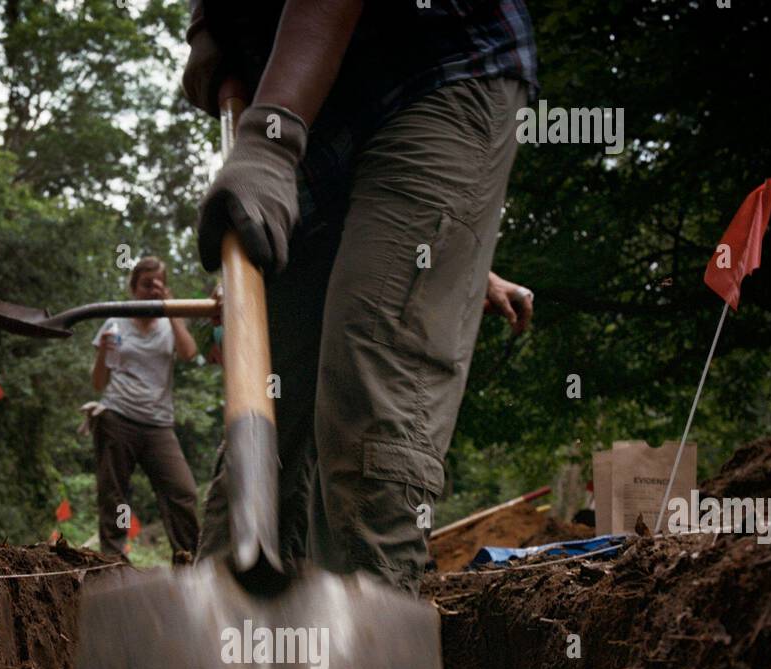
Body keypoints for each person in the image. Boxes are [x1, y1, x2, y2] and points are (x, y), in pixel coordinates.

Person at [182, 1, 537, 593]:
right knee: (271, 415)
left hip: (438, 66)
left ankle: (361, 661)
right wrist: (217, 50)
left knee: (366, 387)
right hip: (314, 134)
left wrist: (270, 142)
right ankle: (225, 657)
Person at [90, 255, 202, 563]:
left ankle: (187, 558)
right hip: (117, 415)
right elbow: (99, 382)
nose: (152, 289)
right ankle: (113, 561)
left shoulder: (170, 322)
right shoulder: (115, 322)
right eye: (146, 284)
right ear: (133, 287)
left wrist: (172, 308)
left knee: (183, 492)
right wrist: (103, 352)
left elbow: (189, 353)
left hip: (157, 423)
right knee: (114, 495)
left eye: (159, 284)